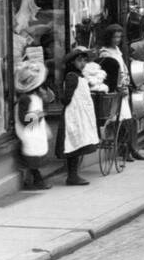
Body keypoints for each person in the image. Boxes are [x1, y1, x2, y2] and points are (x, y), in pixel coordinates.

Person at [96, 25, 144, 162]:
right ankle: (125, 149)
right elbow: (109, 73)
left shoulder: (117, 50)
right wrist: (117, 86)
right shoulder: (105, 53)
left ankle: (131, 148)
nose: (117, 40)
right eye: (115, 37)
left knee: (128, 120)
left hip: (124, 87)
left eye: (119, 37)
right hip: (116, 90)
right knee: (121, 120)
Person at [57, 48, 100, 185]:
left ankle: (74, 174)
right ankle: (72, 176)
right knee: (73, 143)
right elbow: (66, 98)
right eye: (79, 61)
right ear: (72, 62)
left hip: (80, 114)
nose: (83, 63)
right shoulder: (72, 77)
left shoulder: (79, 76)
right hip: (73, 115)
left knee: (77, 143)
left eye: (84, 61)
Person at [15, 59, 53, 190]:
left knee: (35, 155)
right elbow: (24, 119)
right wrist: (39, 116)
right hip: (29, 132)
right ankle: (37, 180)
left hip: (35, 131)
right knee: (32, 157)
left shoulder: (36, 98)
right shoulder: (25, 99)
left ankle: (32, 179)